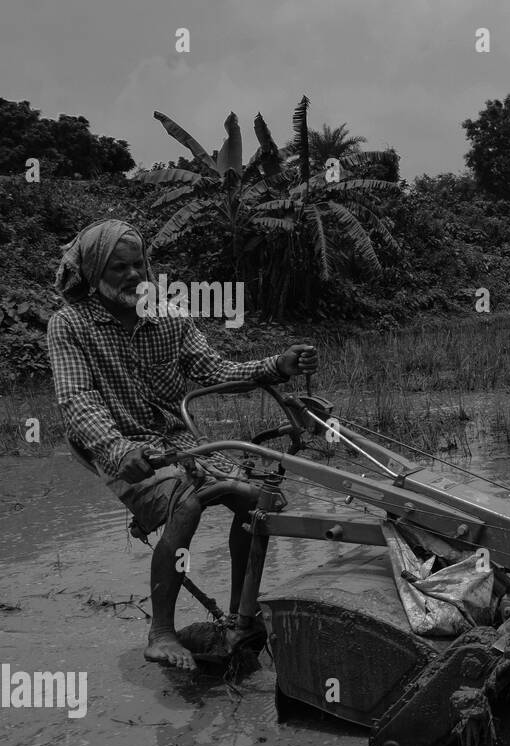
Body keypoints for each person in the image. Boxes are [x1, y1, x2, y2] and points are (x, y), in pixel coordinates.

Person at [46, 219, 318, 669]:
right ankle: (161, 633)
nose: (133, 276)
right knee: (187, 502)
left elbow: (214, 370)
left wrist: (278, 364)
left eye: (139, 265)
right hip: (122, 451)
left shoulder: (169, 315)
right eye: (119, 268)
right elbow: (78, 402)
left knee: (260, 502)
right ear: (94, 272)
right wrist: (117, 451)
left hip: (180, 442)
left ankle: (240, 617)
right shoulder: (69, 325)